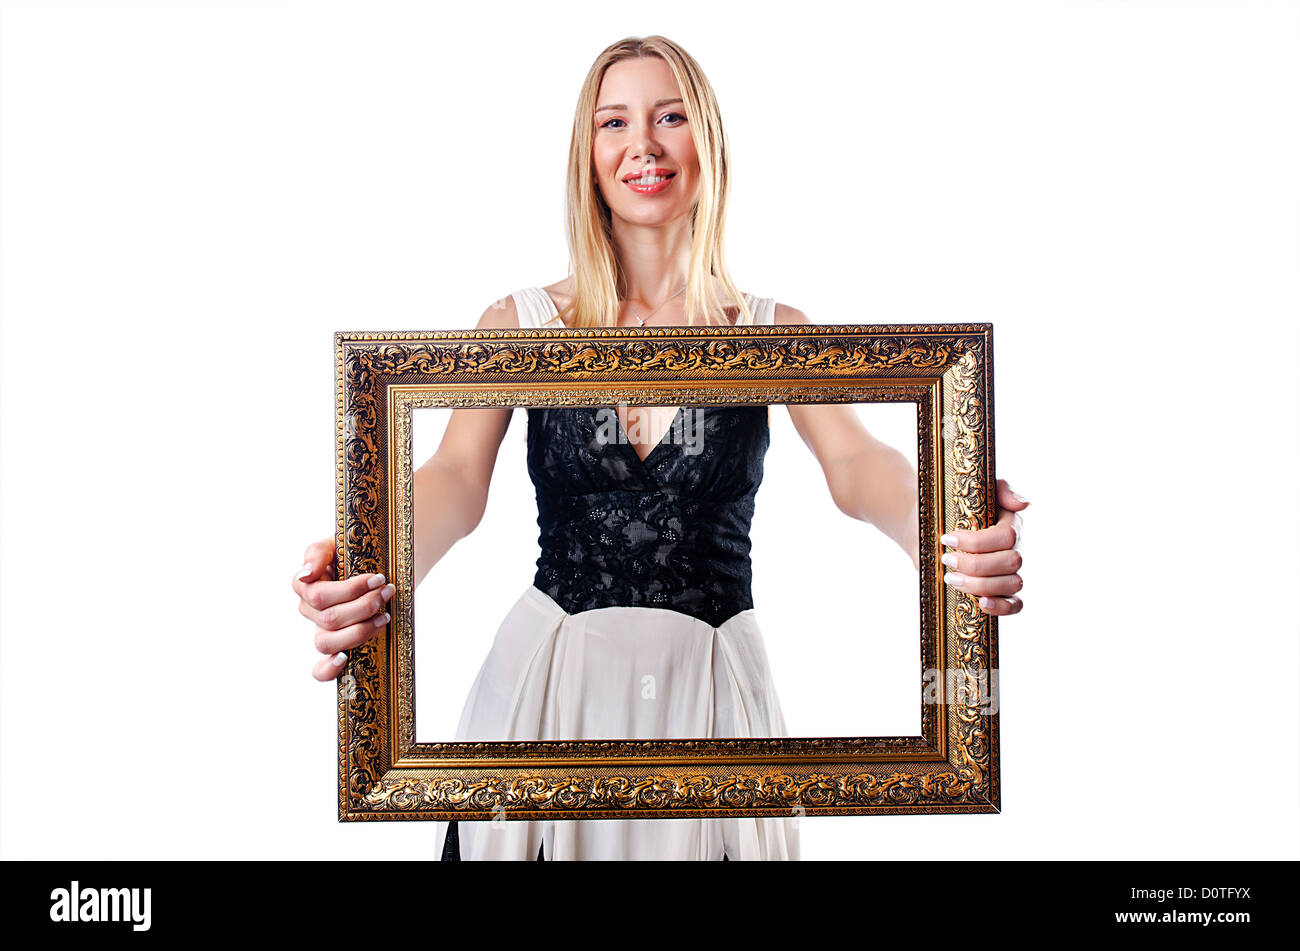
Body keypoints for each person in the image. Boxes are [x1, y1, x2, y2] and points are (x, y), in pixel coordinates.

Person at [291, 35, 1029, 861]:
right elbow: (456, 479)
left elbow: (858, 465)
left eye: (669, 115)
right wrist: (365, 560)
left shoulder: (768, 331)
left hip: (711, 691)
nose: (642, 143)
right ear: (589, 152)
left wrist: (953, 522)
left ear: (703, 139)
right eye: (615, 121)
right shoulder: (523, 322)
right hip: (549, 690)